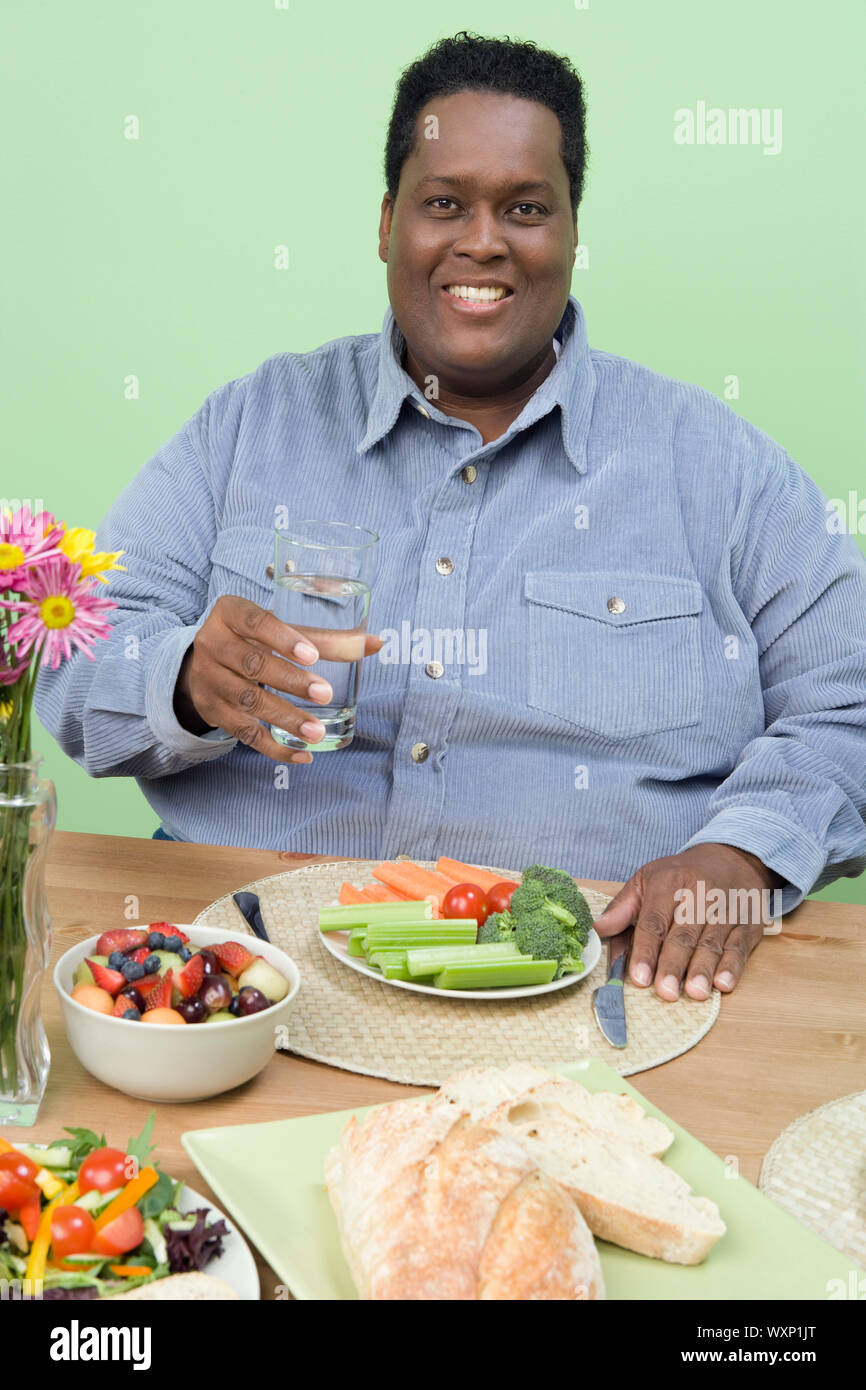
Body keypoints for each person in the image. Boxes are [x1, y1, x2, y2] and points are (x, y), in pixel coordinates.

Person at [36, 33, 866, 1005]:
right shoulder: (249, 424)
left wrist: (744, 857)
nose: (481, 240)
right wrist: (183, 680)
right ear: (387, 223)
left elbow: (845, 699)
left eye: (523, 207)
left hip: (606, 993)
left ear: (568, 231)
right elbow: (73, 651)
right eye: (443, 203)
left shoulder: (717, 467)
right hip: (242, 981)